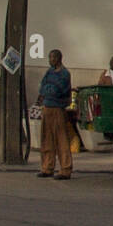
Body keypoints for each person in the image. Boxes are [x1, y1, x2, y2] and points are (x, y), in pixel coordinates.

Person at [37, 49, 73, 180]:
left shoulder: (64, 74)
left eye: (52, 58)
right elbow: (42, 87)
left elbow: (58, 90)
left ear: (58, 58)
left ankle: (65, 169)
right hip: (47, 108)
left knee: (61, 140)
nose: (50, 60)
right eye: (49, 57)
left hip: (58, 108)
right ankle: (47, 167)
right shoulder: (49, 72)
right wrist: (47, 90)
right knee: (47, 139)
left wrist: (48, 89)